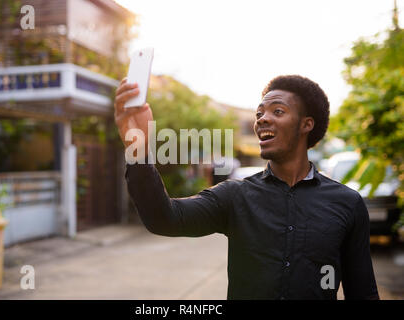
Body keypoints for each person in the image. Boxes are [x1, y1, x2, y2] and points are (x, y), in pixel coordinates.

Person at [113, 74, 379, 300]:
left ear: (306, 124)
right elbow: (164, 219)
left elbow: (363, 293)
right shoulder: (235, 196)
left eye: (277, 111)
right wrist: (137, 146)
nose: (262, 119)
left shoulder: (347, 204)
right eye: (259, 113)